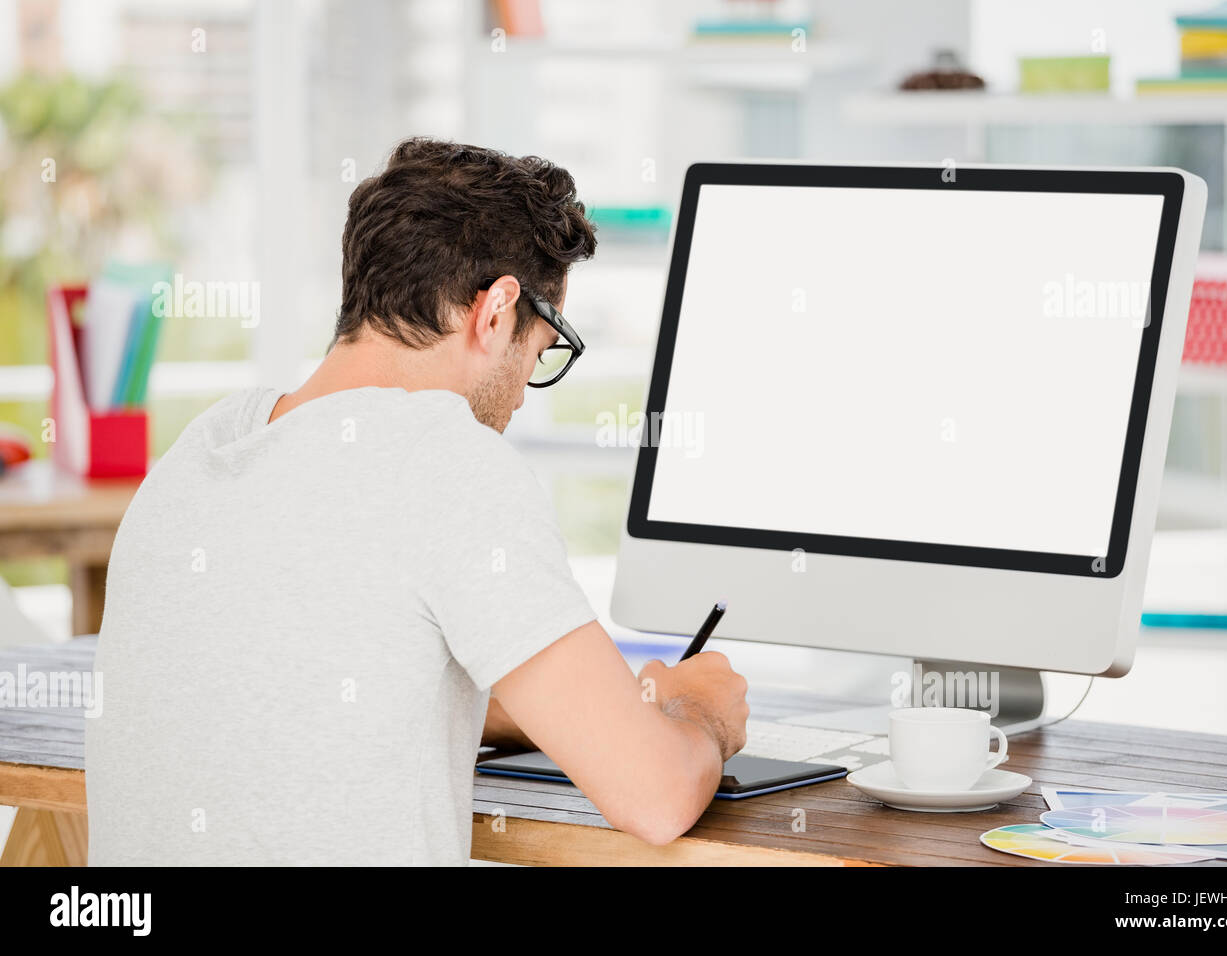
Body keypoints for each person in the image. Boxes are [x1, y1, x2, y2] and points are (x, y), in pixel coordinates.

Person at [85, 138, 749, 865]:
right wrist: (698, 713)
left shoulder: (202, 449)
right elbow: (653, 796)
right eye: (545, 345)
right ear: (496, 311)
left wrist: (565, 712)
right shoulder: (448, 460)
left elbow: (305, 678)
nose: (527, 388)